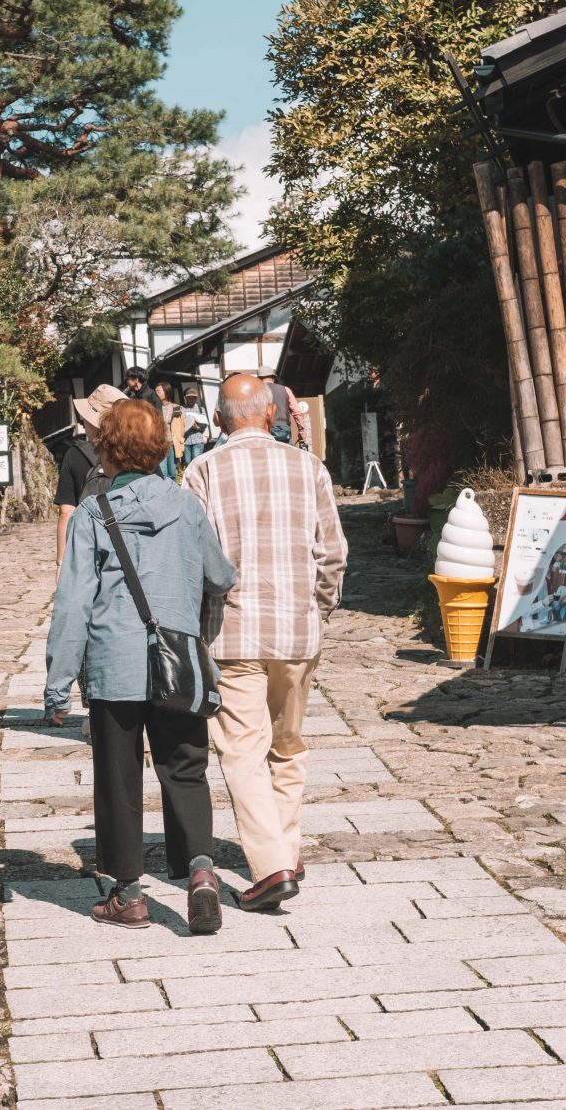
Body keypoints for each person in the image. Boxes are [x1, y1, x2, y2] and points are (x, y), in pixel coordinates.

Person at [45, 399, 237, 932]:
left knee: (119, 777)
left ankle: (127, 896)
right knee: (186, 768)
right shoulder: (186, 506)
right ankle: (200, 873)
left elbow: (73, 604)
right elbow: (220, 576)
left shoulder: (92, 514)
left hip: (114, 663)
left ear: (106, 447)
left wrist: (58, 684)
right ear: (161, 448)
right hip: (179, 660)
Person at [182, 373, 348, 913]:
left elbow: (193, 559)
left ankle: (273, 865)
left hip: (233, 631)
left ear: (220, 420)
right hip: (298, 632)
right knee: (288, 746)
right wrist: (318, 610)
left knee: (242, 752)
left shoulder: (202, 469)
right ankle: (286, 851)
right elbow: (334, 553)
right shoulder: (309, 467)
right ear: (271, 415)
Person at [57, 384, 126, 561]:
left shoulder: (75, 455)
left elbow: (67, 512)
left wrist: (61, 562)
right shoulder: (136, 455)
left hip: (89, 546)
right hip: (128, 547)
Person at [154, 381, 182, 481]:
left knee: (172, 472)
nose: (156, 393)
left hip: (172, 444)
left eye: (159, 391)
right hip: (160, 445)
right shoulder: (154, 408)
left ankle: (173, 494)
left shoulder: (176, 407)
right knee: (162, 473)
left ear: (166, 391)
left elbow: (181, 427)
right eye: (155, 391)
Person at [180, 386, 212, 467]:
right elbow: (178, 423)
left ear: (196, 398)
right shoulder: (181, 409)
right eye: (189, 398)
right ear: (185, 398)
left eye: (193, 398)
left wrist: (197, 427)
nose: (191, 400)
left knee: (196, 460)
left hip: (197, 438)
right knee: (187, 461)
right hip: (186, 439)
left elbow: (205, 423)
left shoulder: (201, 409)